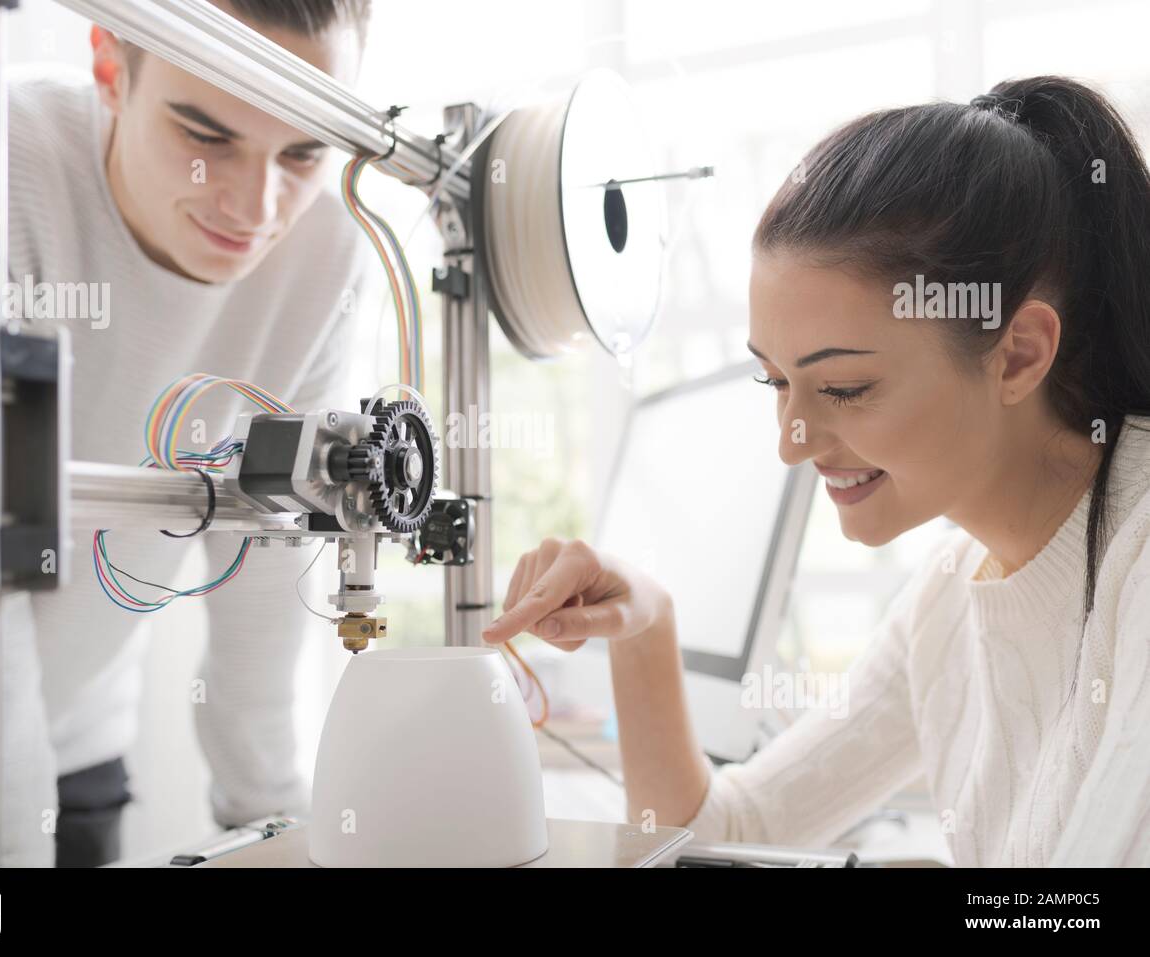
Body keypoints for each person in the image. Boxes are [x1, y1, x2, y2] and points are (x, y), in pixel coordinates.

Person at [483, 76, 1150, 866]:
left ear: (1020, 354)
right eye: (775, 382)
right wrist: (646, 626)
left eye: (844, 387)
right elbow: (717, 836)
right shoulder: (948, 596)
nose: (791, 443)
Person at [0, 0, 373, 866]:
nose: (255, 206)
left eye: (305, 150)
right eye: (208, 135)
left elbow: (271, 566)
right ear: (110, 63)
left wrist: (279, 833)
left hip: (75, 740)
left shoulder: (327, 247)